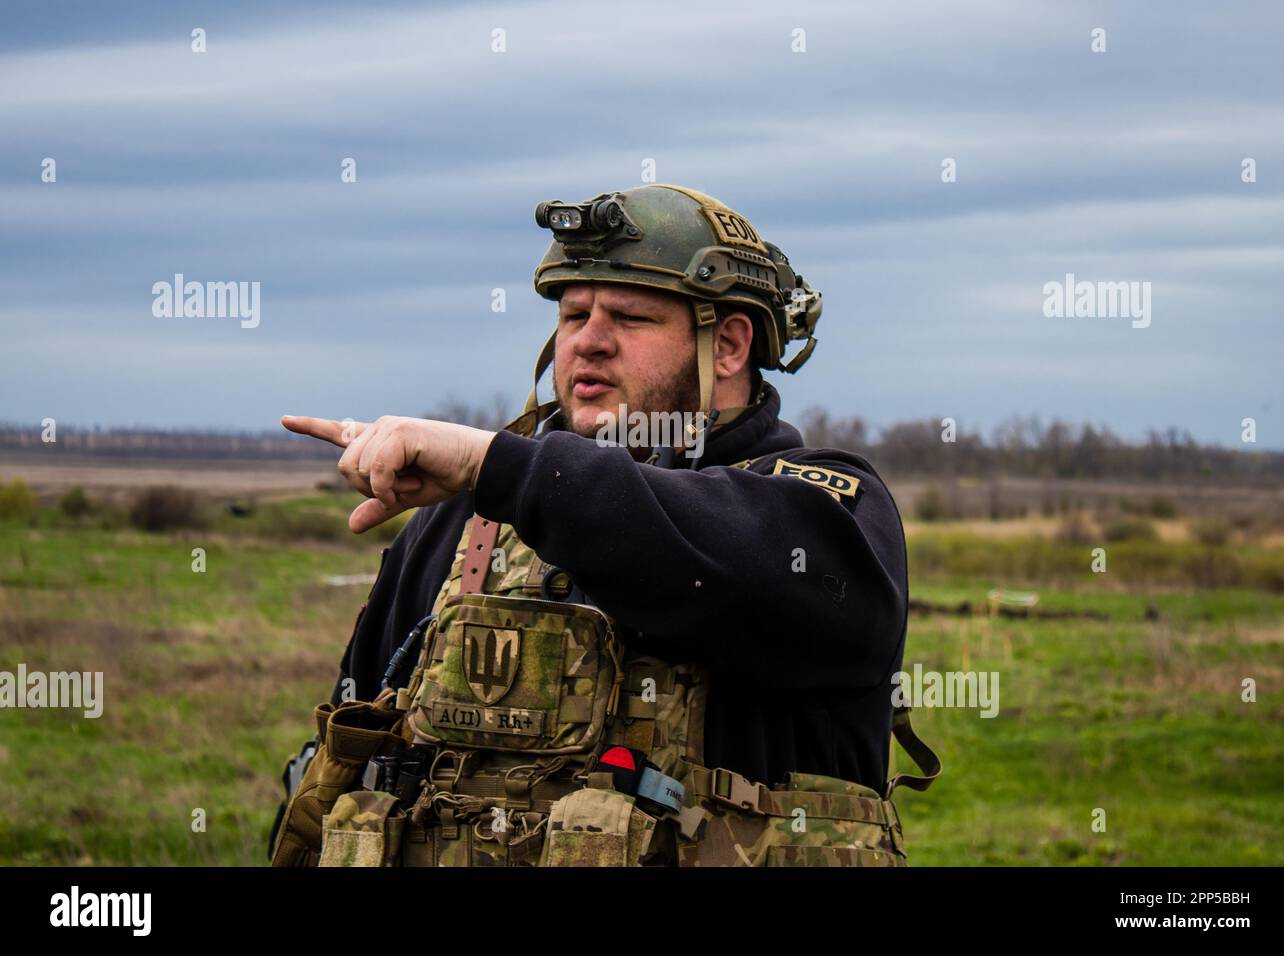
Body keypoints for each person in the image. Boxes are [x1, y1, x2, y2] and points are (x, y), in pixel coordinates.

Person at [269, 184, 938, 868]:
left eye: (631, 316)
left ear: (730, 345)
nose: (588, 342)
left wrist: (497, 466)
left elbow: (705, 553)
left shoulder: (824, 507)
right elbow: (347, 764)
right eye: (573, 314)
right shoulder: (460, 525)